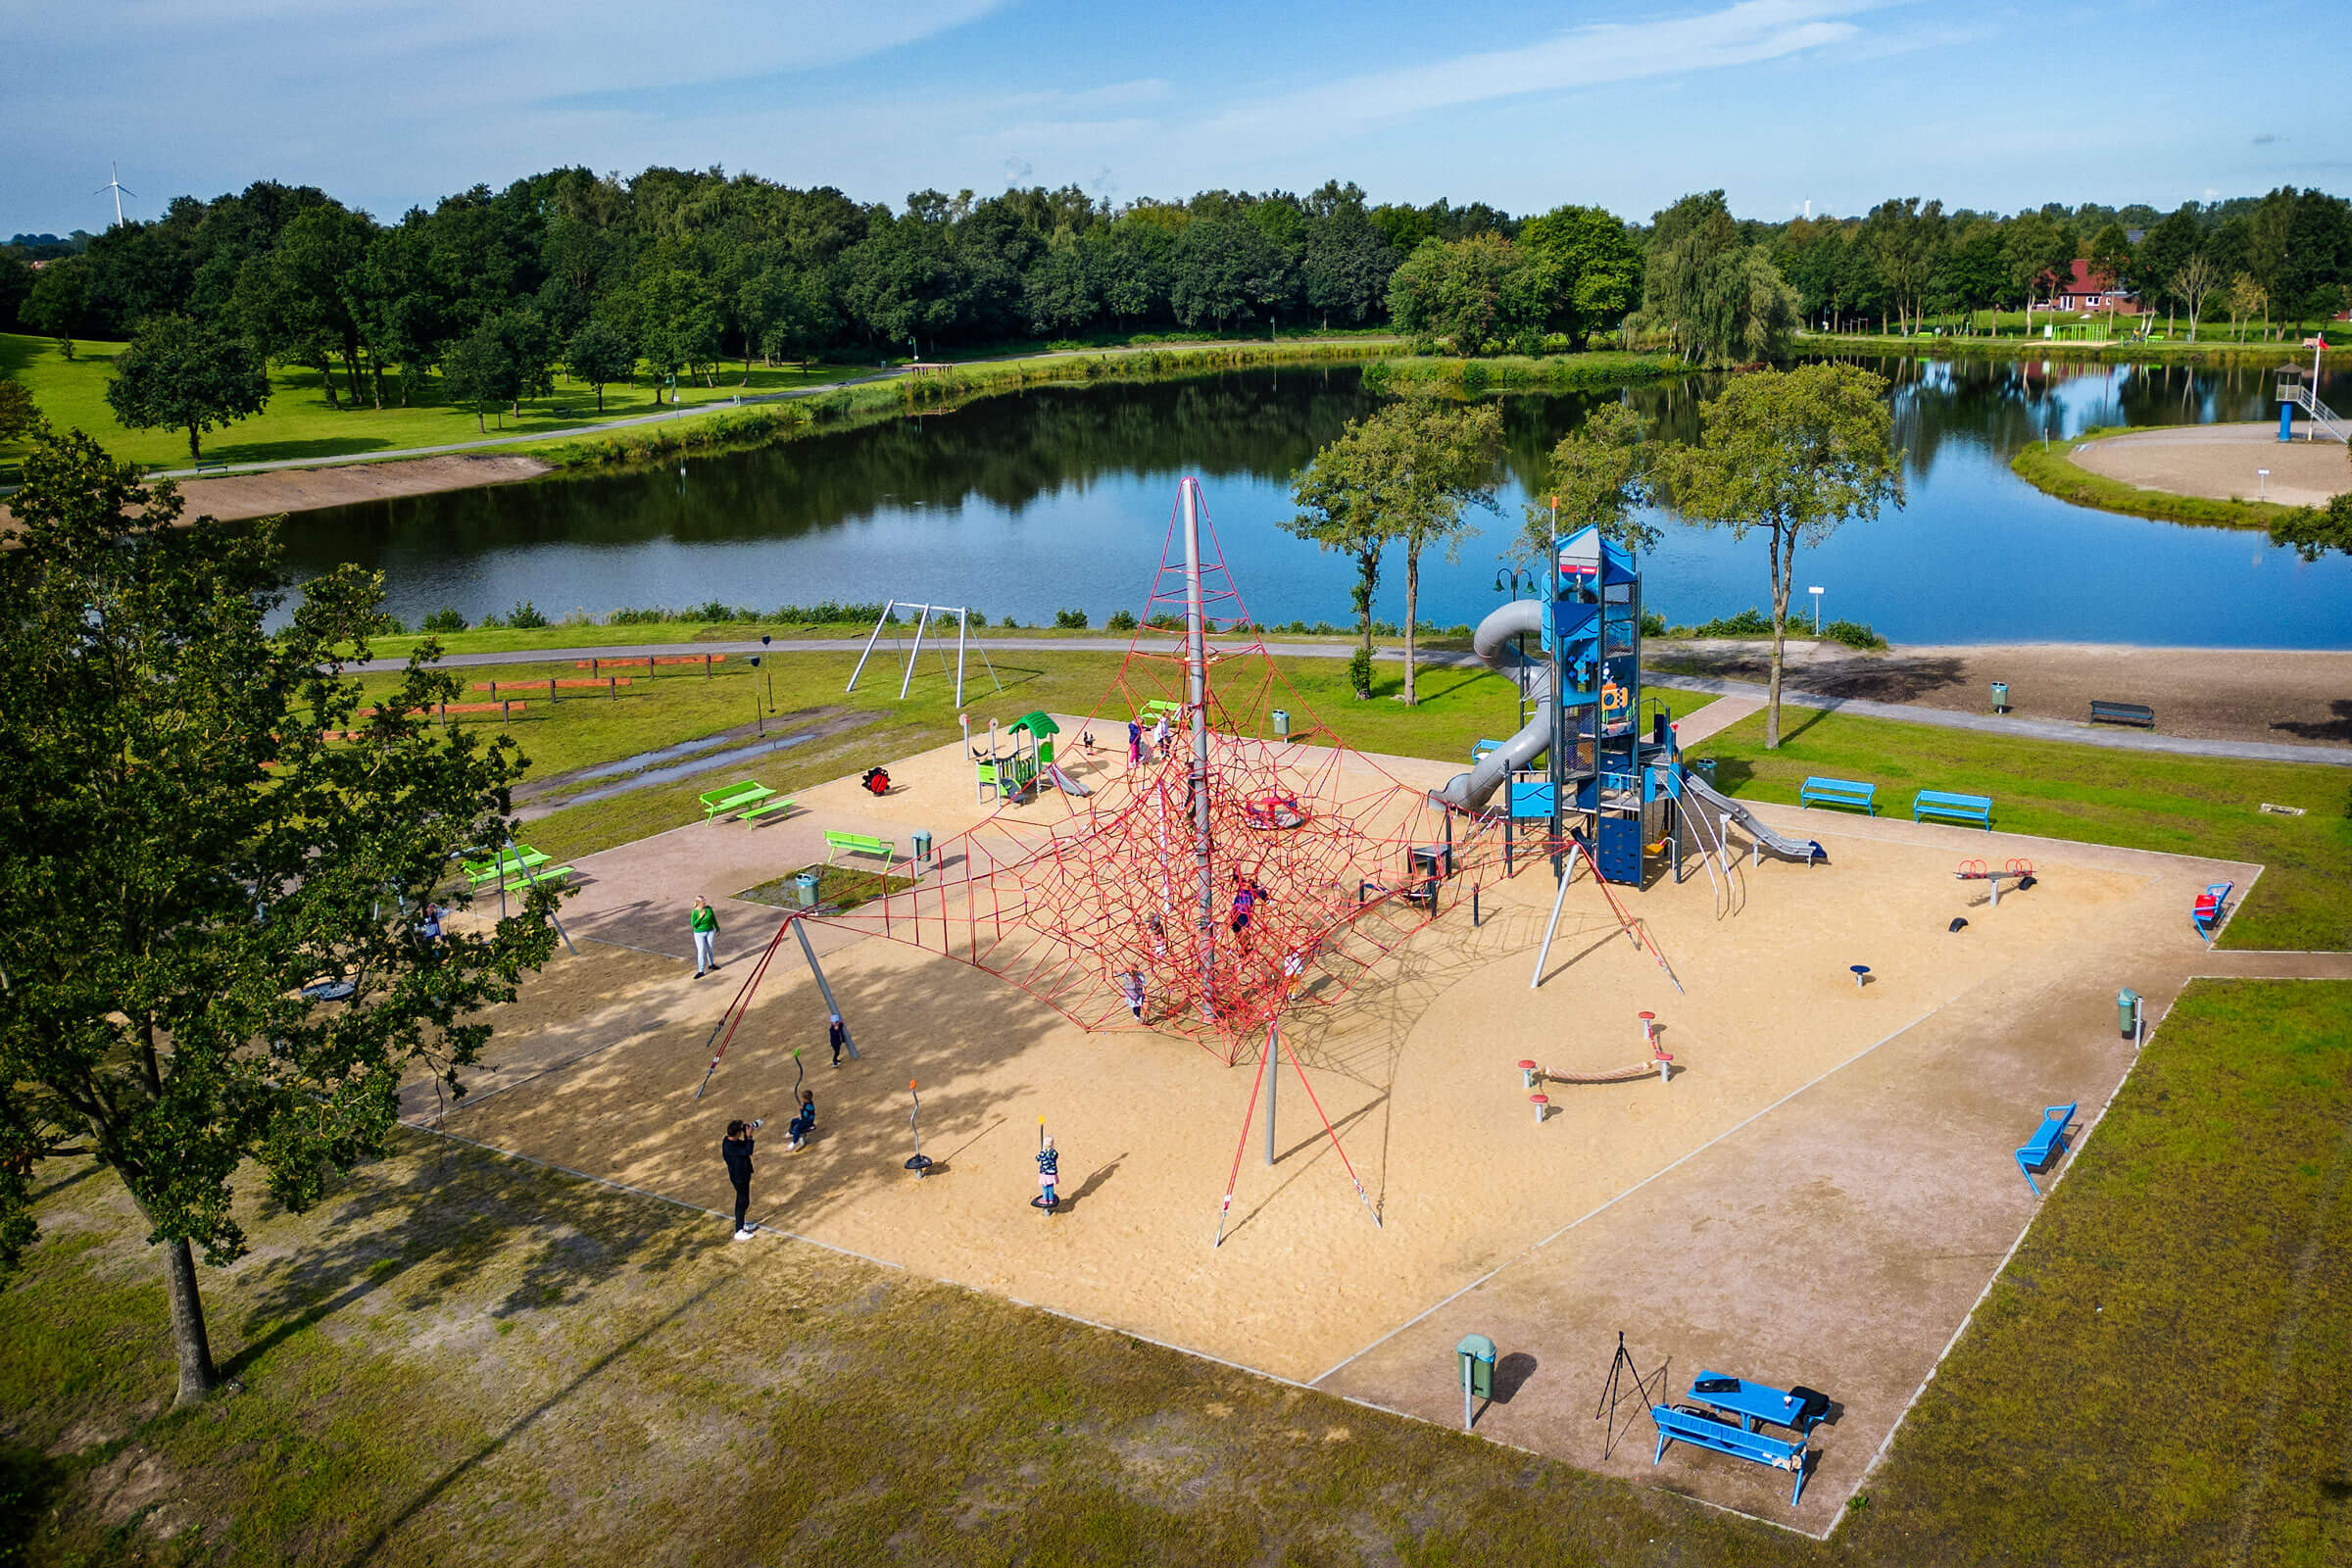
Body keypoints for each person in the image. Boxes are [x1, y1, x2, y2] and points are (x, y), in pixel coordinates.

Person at [722, 1119, 757, 1239]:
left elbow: (745, 1147)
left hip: (743, 1175)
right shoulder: (730, 1147)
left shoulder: (730, 1141)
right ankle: (739, 1231)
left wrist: (747, 1137)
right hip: (739, 1177)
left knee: (744, 1201)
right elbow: (748, 1150)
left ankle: (741, 1224)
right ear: (737, 1133)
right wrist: (749, 1137)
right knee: (742, 1201)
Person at [690, 896, 719, 978]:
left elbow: (713, 918)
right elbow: (693, 924)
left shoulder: (709, 909)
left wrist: (717, 927)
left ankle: (711, 964)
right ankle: (701, 970)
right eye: (703, 901)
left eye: (704, 901)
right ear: (698, 903)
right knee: (701, 951)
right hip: (699, 933)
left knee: (710, 948)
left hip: (710, 931)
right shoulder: (694, 912)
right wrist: (700, 917)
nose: (704, 902)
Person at [1036, 1134, 1059, 1210]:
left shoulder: (1042, 1153)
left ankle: (1045, 1199)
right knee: (1051, 1186)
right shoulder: (1054, 1152)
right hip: (1052, 1173)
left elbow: (1037, 1158)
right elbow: (1056, 1156)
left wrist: (1040, 1153)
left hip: (1045, 1173)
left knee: (1045, 1187)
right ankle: (1051, 1199)